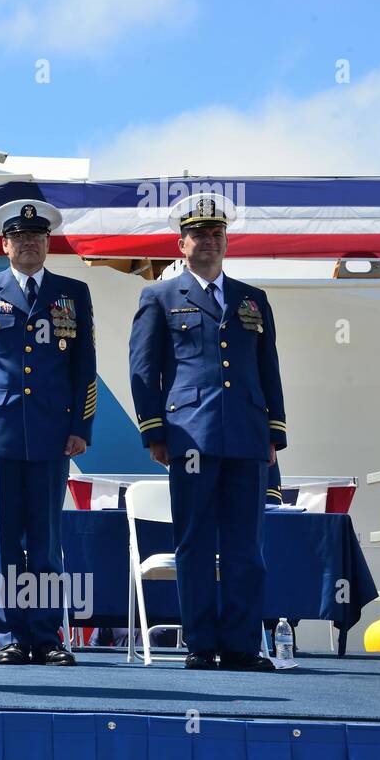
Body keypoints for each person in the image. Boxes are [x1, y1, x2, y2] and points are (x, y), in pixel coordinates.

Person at [128, 193, 287, 672]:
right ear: (182, 244)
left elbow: (267, 368)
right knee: (195, 543)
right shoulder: (159, 296)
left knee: (245, 545)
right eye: (199, 235)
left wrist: (274, 434)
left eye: (217, 234)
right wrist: (154, 431)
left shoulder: (252, 298)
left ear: (226, 242)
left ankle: (241, 645)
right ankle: (201, 643)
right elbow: (143, 367)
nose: (209, 242)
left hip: (246, 434)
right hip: (189, 435)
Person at [0, 200, 96, 666]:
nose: (28, 243)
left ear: (48, 244)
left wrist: (81, 427)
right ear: (5, 244)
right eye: (20, 237)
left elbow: (84, 369)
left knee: (45, 539)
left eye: (37, 237)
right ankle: (11, 635)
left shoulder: (72, 293)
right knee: (5, 537)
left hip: (54, 432)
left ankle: (46, 633)